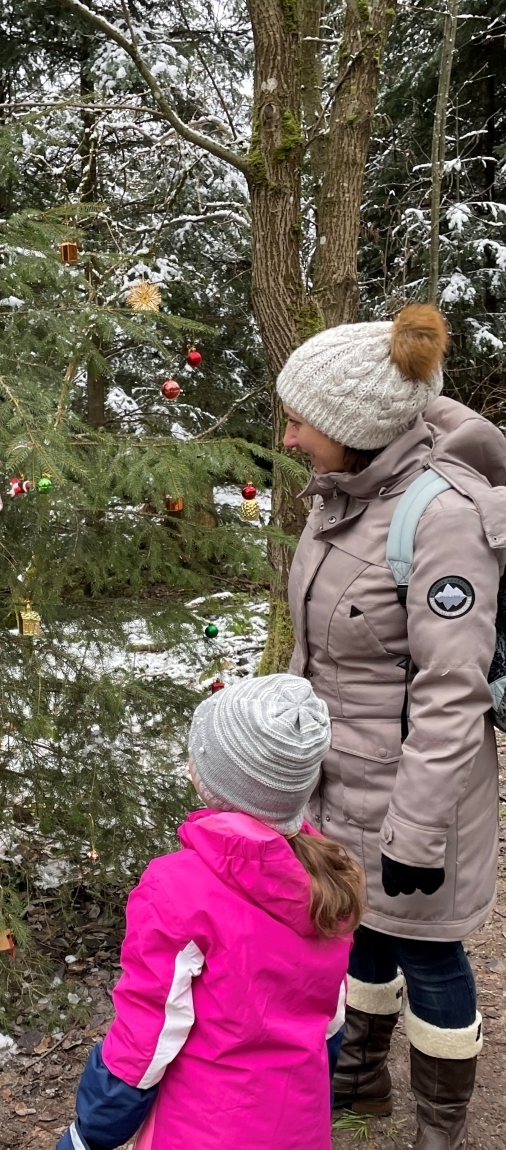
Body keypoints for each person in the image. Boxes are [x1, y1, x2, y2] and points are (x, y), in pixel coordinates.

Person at [277, 302, 505, 1150]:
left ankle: (441, 1125)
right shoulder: (341, 493)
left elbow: (453, 690)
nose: (291, 437)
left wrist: (411, 830)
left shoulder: (440, 517)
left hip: (420, 792)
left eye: (301, 421)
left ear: (353, 425)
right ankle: (360, 1074)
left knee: (430, 949)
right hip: (340, 777)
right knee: (360, 923)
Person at [55, 674, 363, 1150]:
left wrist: (89, 1133)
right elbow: (331, 1016)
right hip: (299, 1120)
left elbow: (146, 1035)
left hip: (205, 1127)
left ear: (216, 780)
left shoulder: (178, 888)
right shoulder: (329, 878)